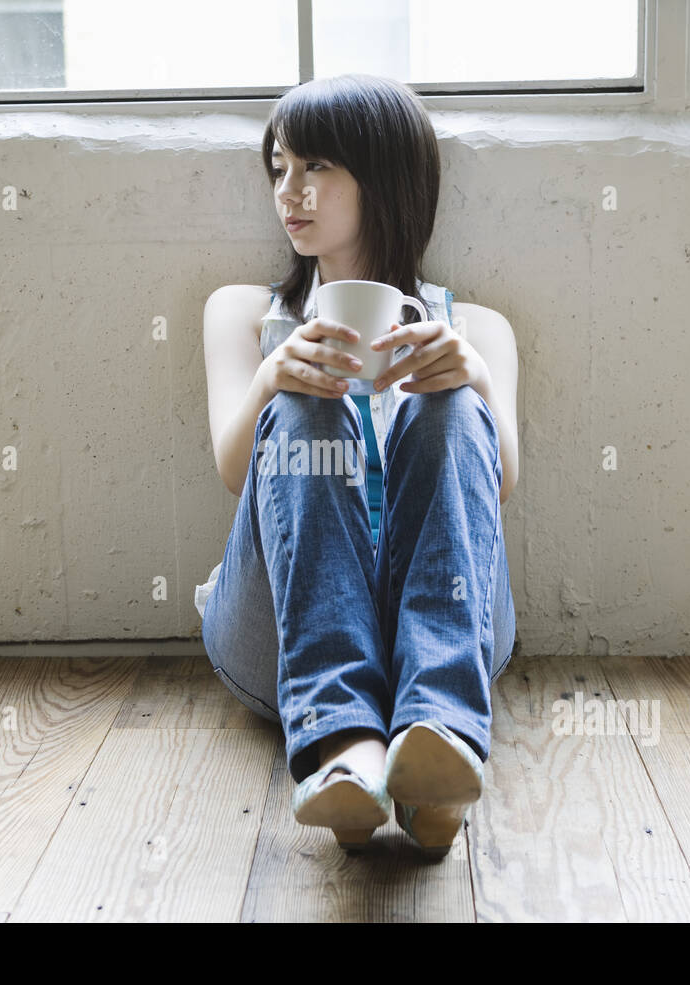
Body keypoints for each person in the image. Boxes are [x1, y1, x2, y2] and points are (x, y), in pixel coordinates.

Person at [196, 73, 519, 859]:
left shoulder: (476, 326)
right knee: (305, 404)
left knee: (449, 404)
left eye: (316, 167)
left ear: (383, 177)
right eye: (279, 167)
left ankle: (436, 744)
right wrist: (275, 377)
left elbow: (500, 484)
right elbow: (235, 473)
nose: (289, 191)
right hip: (281, 630)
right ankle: (345, 743)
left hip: (441, 625)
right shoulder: (242, 312)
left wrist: (471, 375)